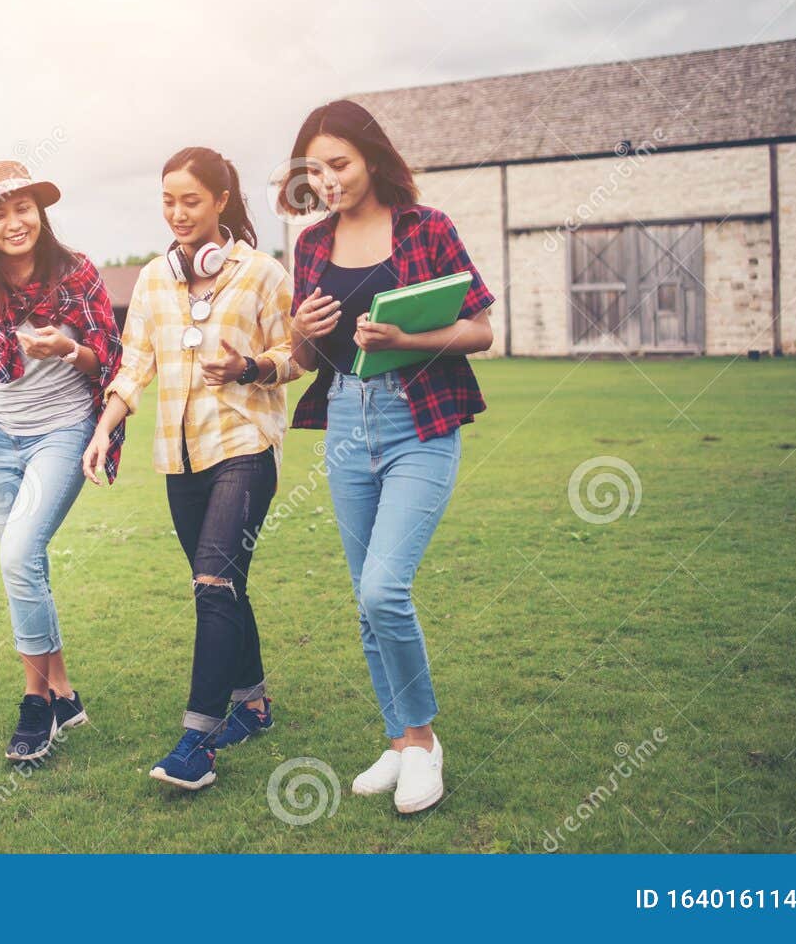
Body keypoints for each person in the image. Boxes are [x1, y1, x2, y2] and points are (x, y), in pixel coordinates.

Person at [282, 100, 495, 813]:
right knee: (365, 601)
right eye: (315, 168)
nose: (327, 179)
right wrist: (300, 329)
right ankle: (399, 740)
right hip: (347, 416)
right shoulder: (311, 243)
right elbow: (304, 357)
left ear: (372, 157)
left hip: (420, 420)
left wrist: (402, 341)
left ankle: (425, 742)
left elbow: (480, 330)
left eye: (339, 164)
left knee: (384, 589)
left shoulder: (427, 228)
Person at [83, 146, 300, 791]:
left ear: (221, 201)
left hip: (244, 446)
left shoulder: (263, 273)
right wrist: (104, 428)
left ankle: (197, 741)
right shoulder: (152, 280)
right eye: (168, 200)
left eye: (192, 200)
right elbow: (132, 369)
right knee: (223, 584)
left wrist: (251, 366)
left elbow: (300, 352)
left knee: (212, 584)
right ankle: (253, 703)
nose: (178, 213)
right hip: (178, 462)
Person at [0, 160, 123, 762]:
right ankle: (65, 694)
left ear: (40, 211)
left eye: (23, 207)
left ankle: (35, 702)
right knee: (27, 563)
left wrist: (68, 348)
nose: (15, 222)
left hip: (63, 432)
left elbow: (108, 361)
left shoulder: (78, 274)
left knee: (17, 553)